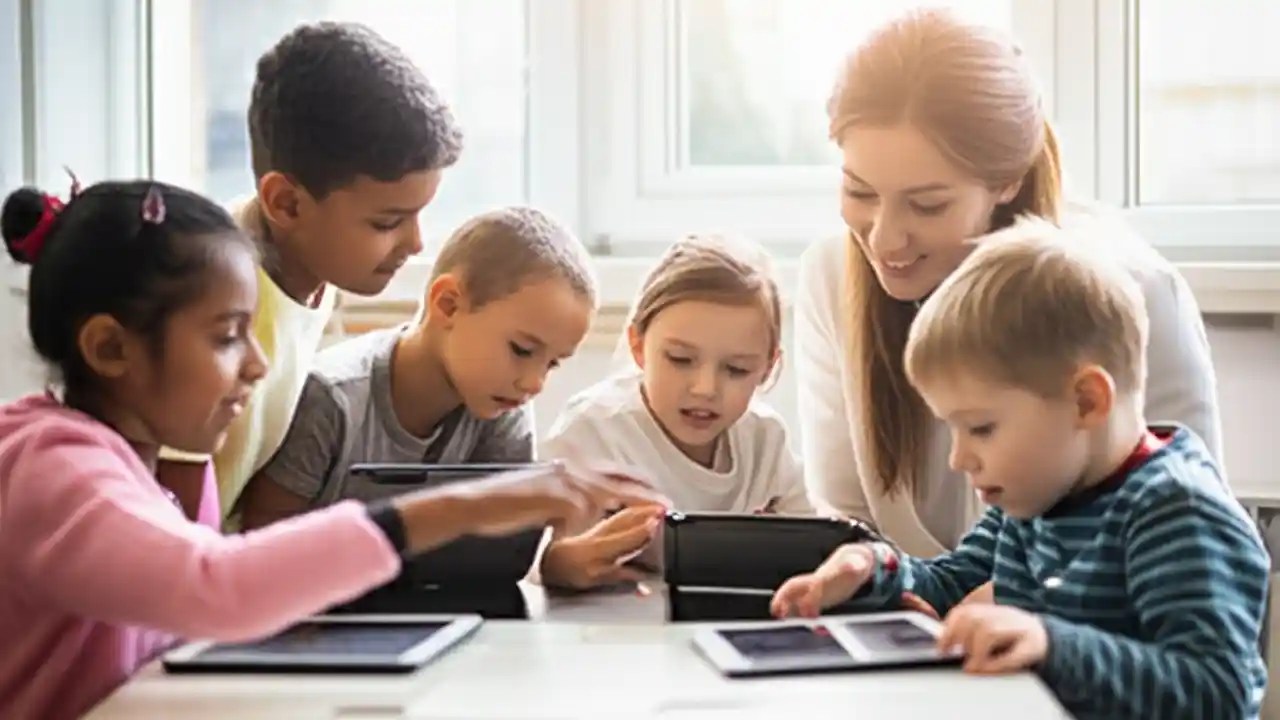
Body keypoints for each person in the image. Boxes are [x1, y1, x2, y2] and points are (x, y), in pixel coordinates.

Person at [0, 181, 664, 720]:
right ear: (111, 349)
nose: (259, 366)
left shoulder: (152, 463)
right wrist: (468, 504)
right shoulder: (52, 468)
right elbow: (217, 588)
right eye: (229, 336)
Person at [772, 219, 1267, 720]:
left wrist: (1048, 642)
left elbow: (1215, 691)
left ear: (1086, 401)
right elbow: (952, 583)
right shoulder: (1039, 495)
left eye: (981, 428)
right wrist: (869, 568)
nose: (959, 458)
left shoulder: (1177, 511)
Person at [794, 8, 1220, 557]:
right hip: (914, 630)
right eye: (860, 192)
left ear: (1006, 183)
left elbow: (1193, 550)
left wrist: (1001, 606)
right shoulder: (830, 277)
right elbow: (846, 526)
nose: (883, 240)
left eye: (927, 205)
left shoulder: (1130, 292)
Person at [157, 22, 464, 530]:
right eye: (387, 222)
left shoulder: (311, 271)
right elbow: (175, 529)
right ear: (287, 203)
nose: (415, 244)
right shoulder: (208, 301)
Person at [239, 206, 601, 528]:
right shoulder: (331, 398)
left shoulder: (503, 411)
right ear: (448, 304)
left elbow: (503, 549)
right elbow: (263, 540)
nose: (535, 383)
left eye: (552, 364)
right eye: (522, 350)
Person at [540, 234, 811, 588]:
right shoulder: (595, 432)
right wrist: (560, 565)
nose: (705, 389)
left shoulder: (765, 440)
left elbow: (813, 543)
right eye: (680, 360)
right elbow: (540, 560)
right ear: (638, 346)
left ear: (768, 366)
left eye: (737, 369)